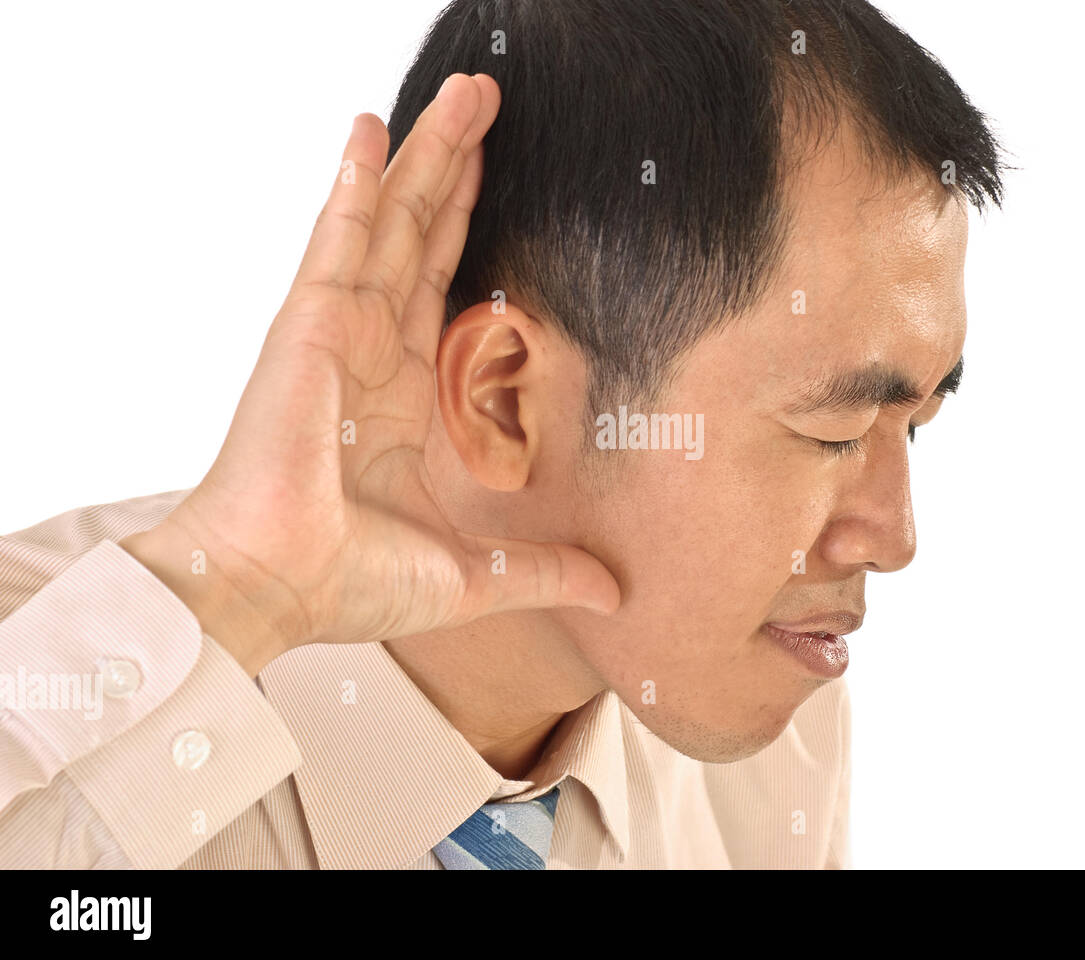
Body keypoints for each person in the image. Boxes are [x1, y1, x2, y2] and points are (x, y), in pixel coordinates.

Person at [0, 0, 1003, 869]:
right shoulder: (36, 675)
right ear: (503, 400)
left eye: (913, 426)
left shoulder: (771, 721)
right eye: (833, 433)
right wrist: (237, 595)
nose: (893, 535)